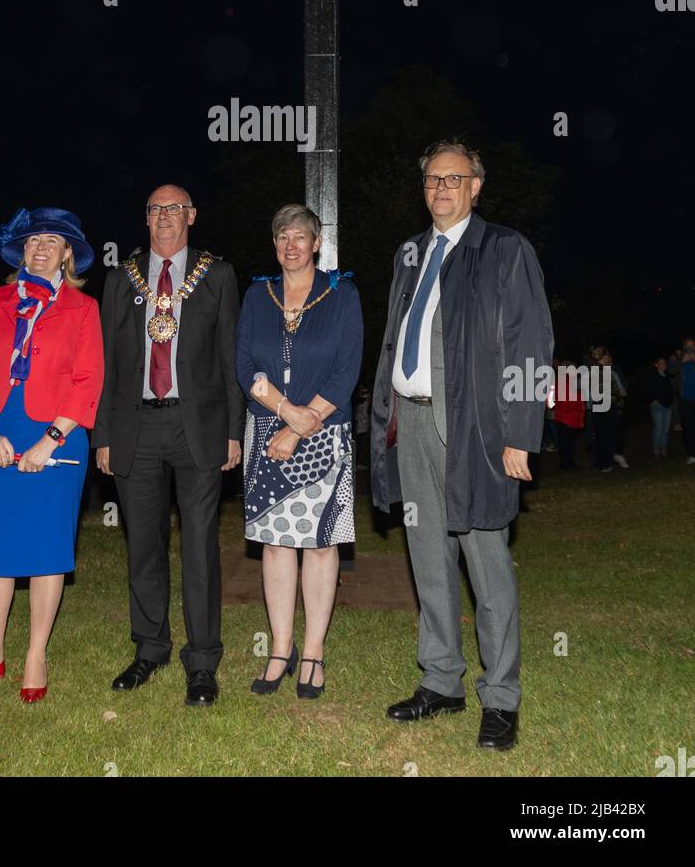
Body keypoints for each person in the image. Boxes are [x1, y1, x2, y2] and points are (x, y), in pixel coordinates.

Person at [370, 139, 553, 752]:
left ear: (477, 185)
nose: (441, 188)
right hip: (413, 424)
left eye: (454, 178)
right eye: (432, 180)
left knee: (485, 559)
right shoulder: (410, 254)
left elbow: (530, 344)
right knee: (427, 555)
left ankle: (500, 697)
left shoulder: (503, 249)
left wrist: (521, 434)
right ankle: (441, 680)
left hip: (475, 427)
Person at [0, 207, 104, 706]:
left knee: (45, 548)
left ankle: (36, 654)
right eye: (33, 241)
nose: (40, 248)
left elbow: (88, 381)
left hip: (56, 434)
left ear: (67, 256)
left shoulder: (83, 307)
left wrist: (48, 441)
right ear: (21, 251)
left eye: (52, 242)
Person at [93, 184, 244, 708]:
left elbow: (231, 359)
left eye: (174, 209)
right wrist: (104, 434)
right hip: (136, 425)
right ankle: (150, 646)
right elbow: (108, 363)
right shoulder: (121, 278)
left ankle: (202, 661)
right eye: (155, 208)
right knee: (142, 547)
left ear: (192, 216)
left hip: (196, 426)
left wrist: (234, 430)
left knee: (200, 546)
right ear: (146, 216)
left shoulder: (217, 274)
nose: (164, 217)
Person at [235, 204, 363, 698]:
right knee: (275, 542)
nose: (291, 245)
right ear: (275, 245)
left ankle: (313, 652)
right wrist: (286, 413)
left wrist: (304, 421)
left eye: (300, 237)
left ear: (316, 244)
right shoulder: (257, 295)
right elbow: (245, 365)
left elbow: (347, 369)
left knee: (321, 542)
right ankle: (280, 650)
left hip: (325, 431)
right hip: (268, 429)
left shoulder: (341, 294)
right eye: (282, 237)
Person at [553, 361, 585, 471]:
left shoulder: (570, 381)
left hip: (570, 417)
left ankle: (569, 462)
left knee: (570, 442)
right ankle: (566, 464)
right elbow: (565, 401)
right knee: (566, 442)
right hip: (566, 417)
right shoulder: (564, 382)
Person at [647, 356, 674, 460]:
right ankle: (656, 450)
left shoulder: (667, 376)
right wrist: (653, 401)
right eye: (661, 363)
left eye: (664, 362)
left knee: (666, 430)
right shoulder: (652, 376)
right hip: (657, 406)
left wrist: (671, 401)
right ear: (656, 365)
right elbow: (647, 390)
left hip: (668, 407)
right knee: (659, 429)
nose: (663, 364)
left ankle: (664, 449)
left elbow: (670, 391)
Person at [678, 341, 695, 464]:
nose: (690, 348)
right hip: (685, 401)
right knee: (689, 428)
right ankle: (692, 454)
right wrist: (681, 362)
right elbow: (670, 371)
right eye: (687, 346)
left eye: (692, 345)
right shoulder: (679, 359)